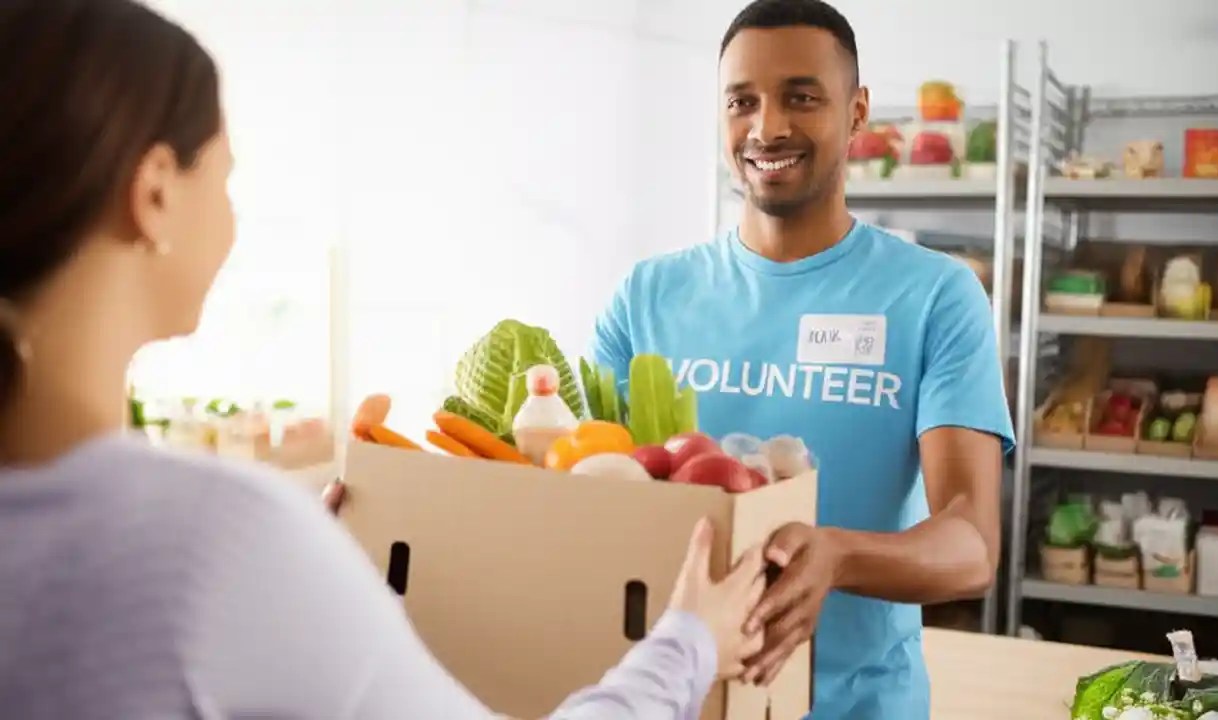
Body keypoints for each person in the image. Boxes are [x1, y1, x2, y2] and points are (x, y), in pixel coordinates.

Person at [0, 1, 767, 718]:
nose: (233, 217)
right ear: (156, 193)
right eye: (226, 177)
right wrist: (690, 643)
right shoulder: (221, 536)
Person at [585, 1, 1015, 718]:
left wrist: (841, 555)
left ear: (856, 114)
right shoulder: (646, 294)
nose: (767, 127)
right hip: (679, 700)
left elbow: (972, 545)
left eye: (801, 97)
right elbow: (580, 489)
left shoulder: (935, 295)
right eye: (742, 101)